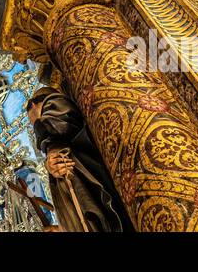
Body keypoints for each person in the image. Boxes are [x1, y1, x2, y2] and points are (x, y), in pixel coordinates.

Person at [27, 85, 129, 232]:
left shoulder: (53, 103)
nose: (34, 125)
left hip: (99, 176)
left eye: (31, 122)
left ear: (33, 104)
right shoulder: (50, 123)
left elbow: (58, 128)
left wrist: (37, 122)